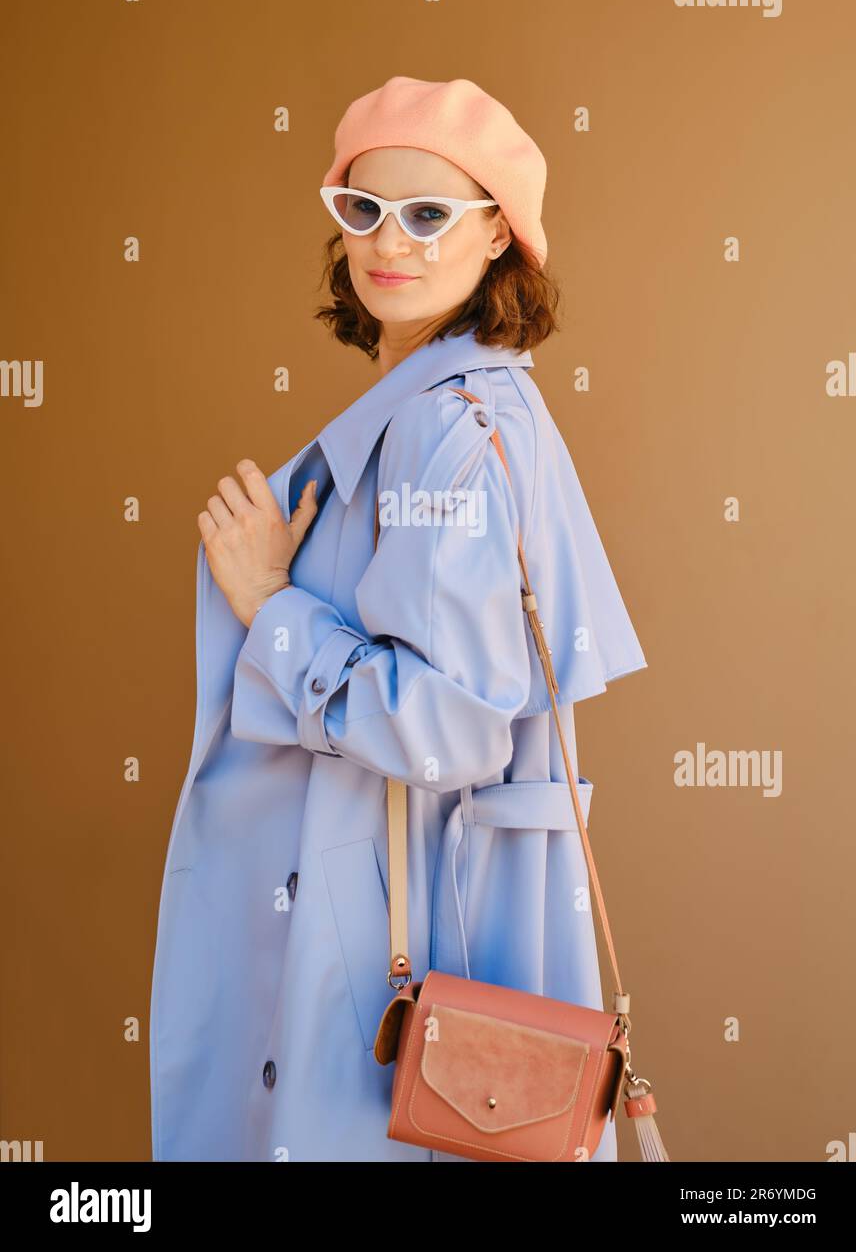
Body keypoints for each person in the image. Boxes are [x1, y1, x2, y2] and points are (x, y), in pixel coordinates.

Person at [148, 75, 647, 1162]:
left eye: (430, 215)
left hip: (413, 934)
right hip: (435, 916)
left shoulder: (444, 429)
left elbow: (451, 728)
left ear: (498, 239)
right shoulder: (463, 405)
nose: (392, 241)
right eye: (362, 209)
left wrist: (268, 607)